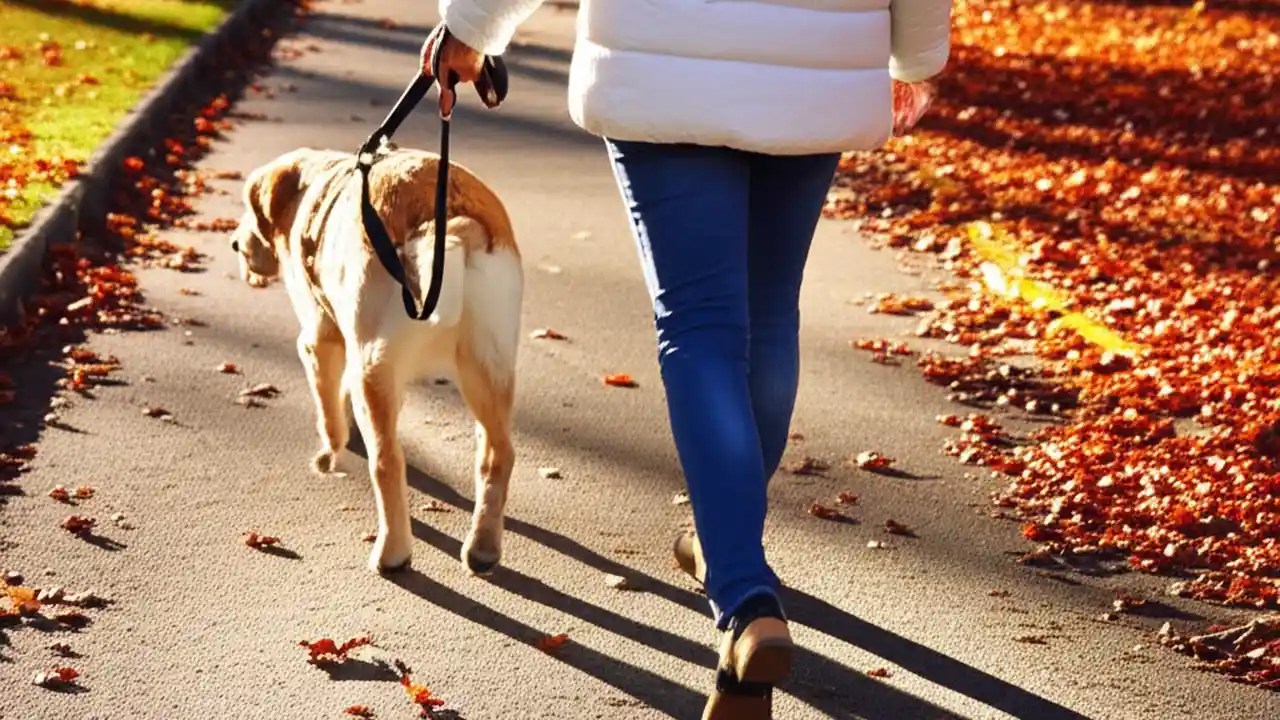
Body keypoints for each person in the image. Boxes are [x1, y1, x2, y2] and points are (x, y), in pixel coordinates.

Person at [424, 1, 952, 717]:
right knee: (767, 315)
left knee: (701, 323)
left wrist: (473, 29)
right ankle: (727, 555)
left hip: (661, 55)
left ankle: (742, 593)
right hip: (813, 61)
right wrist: (915, 59)